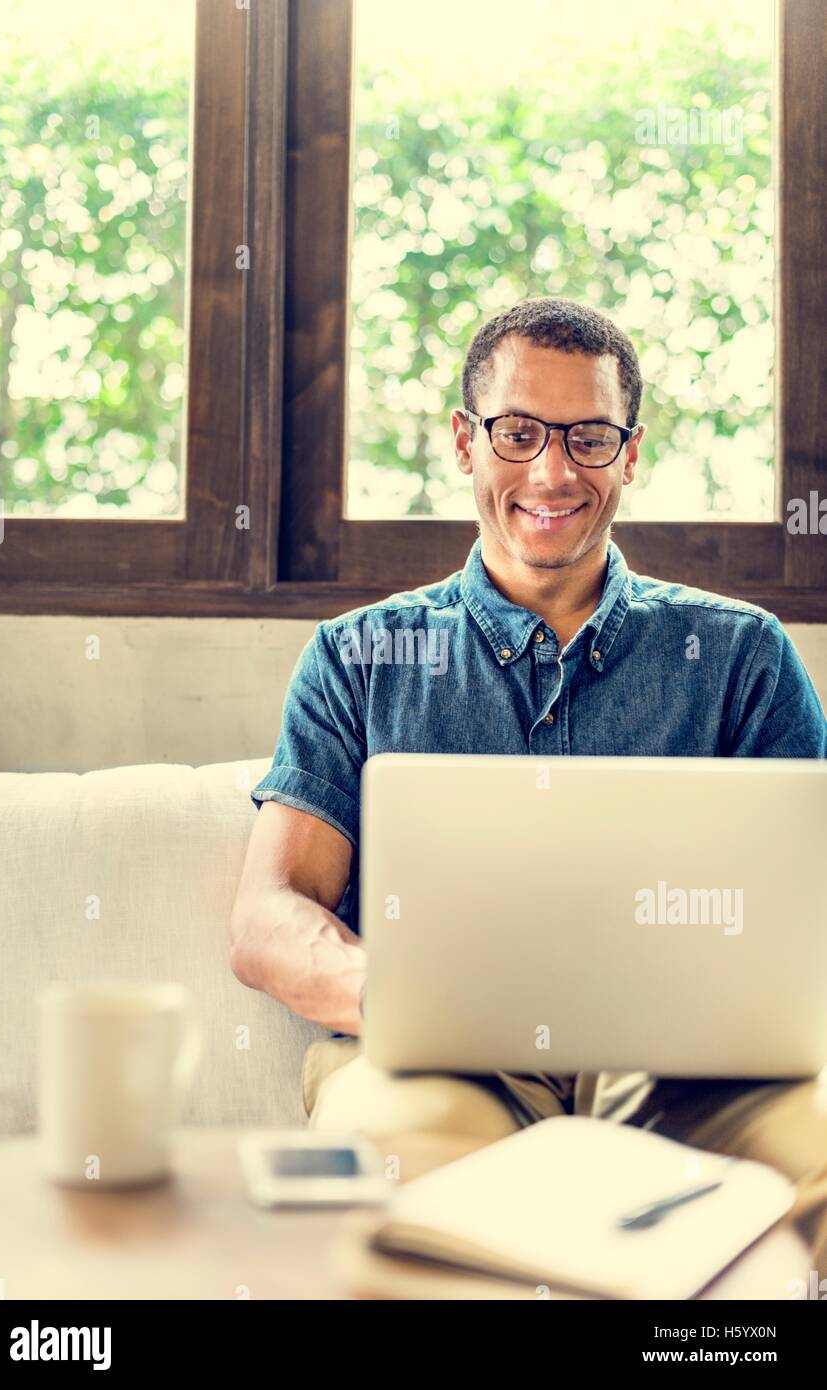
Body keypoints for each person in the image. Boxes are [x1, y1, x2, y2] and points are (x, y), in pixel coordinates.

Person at [230, 297, 827, 1279]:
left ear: (629, 455)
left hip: (697, 1075)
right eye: (518, 432)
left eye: (589, 436)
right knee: (390, 1158)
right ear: (467, 442)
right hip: (438, 1062)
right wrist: (410, 993)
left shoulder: (744, 658)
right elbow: (266, 918)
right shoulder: (358, 657)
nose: (552, 471)